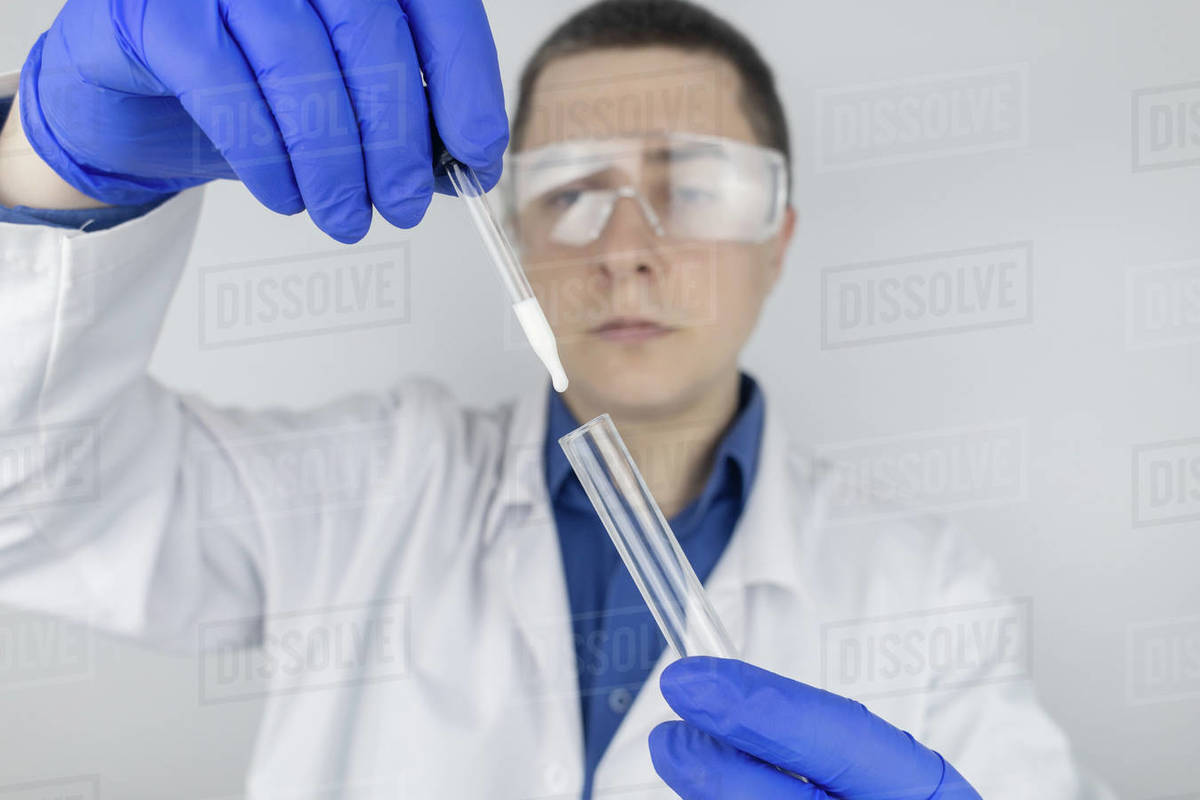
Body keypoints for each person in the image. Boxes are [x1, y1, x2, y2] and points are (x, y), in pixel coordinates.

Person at [0, 1, 1108, 798]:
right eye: (572, 189)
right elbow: (30, 503)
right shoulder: (365, 488)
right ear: (519, 232)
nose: (627, 247)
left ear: (778, 240)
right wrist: (47, 173)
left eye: (697, 187)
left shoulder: (926, 593)